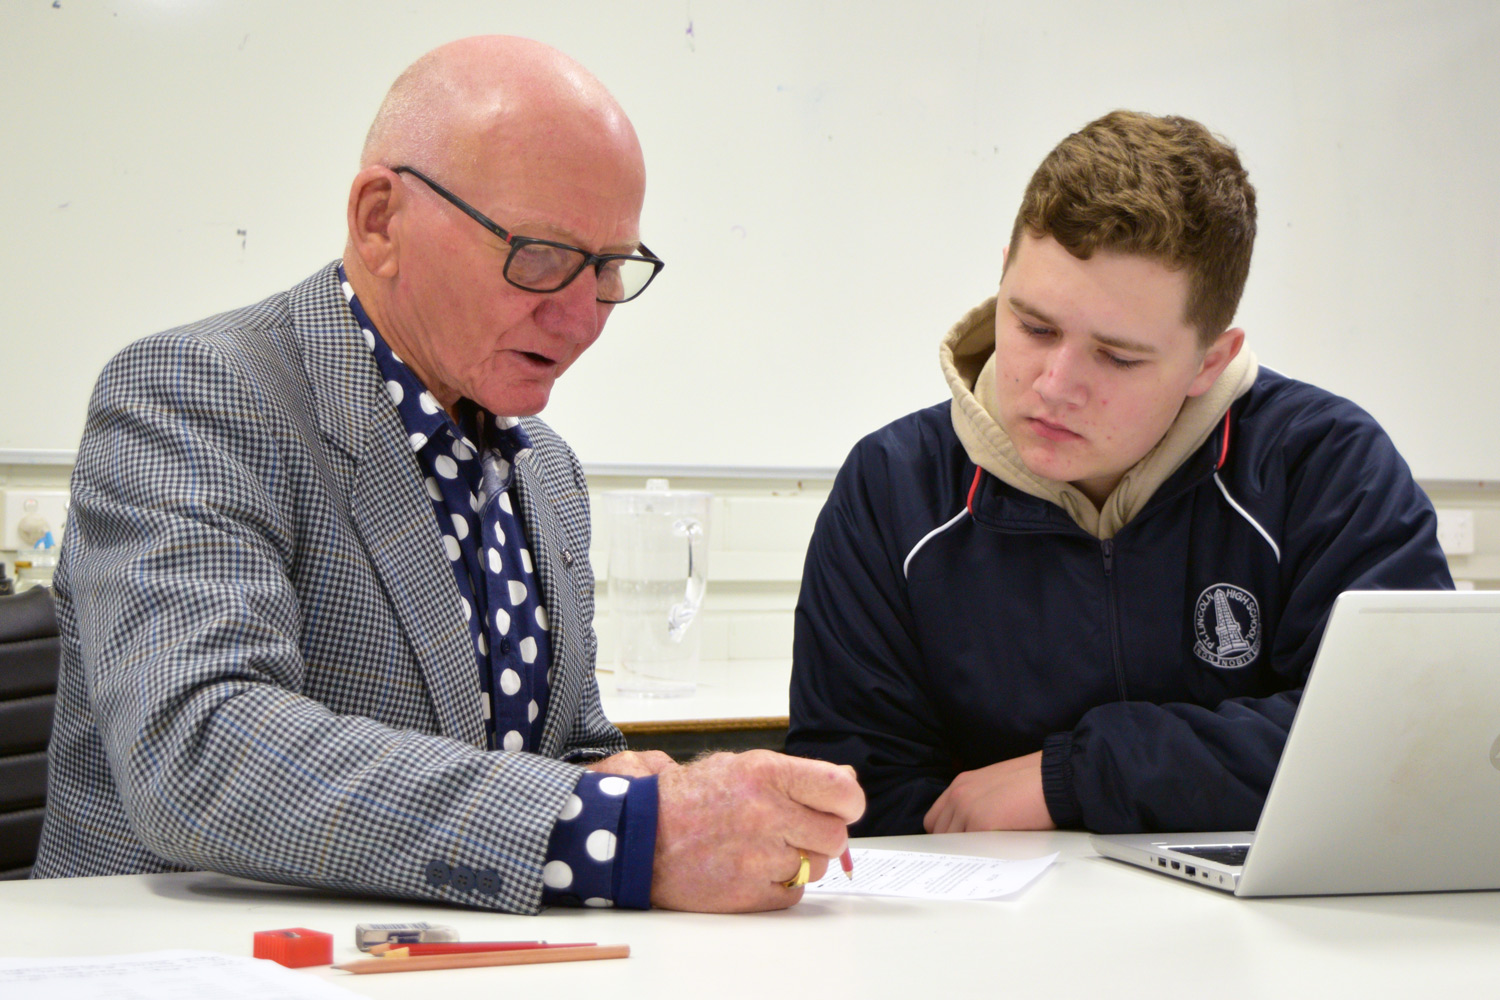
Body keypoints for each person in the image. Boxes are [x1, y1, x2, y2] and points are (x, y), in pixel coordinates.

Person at [34, 35, 862, 914]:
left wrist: (644, 785)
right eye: (539, 254)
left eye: (611, 267)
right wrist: (625, 833)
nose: (583, 320)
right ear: (380, 220)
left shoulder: (545, 472)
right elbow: (200, 749)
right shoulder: (196, 395)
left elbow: (557, 759)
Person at [786, 110, 1451, 837]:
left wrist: (1074, 776)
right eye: (1034, 326)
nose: (1054, 384)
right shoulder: (890, 490)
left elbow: (1401, 739)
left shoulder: (1327, 467)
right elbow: (854, 796)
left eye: (1118, 356)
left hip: (1258, 938)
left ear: (1210, 361)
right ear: (1003, 273)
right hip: (984, 938)